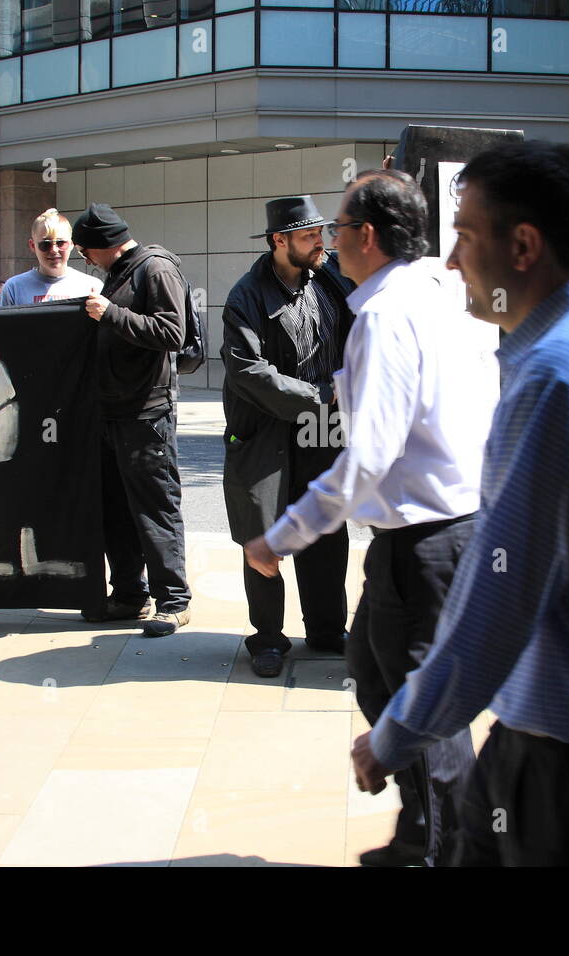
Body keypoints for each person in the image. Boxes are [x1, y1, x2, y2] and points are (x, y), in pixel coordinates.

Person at [349, 140, 569, 866]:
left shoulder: (561, 375)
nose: (450, 262)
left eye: (466, 238)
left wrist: (396, 732)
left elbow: (503, 598)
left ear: (524, 245)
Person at [244, 169, 499, 867]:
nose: (328, 239)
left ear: (365, 235)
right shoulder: (447, 295)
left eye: (336, 225)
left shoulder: (386, 316)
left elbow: (368, 459)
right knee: (373, 671)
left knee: (426, 710)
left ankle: (443, 851)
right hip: (440, 532)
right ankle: (427, 833)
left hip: (425, 542)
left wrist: (282, 536)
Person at [221, 197, 357, 677]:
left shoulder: (332, 276)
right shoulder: (247, 295)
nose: (320, 243)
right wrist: (320, 395)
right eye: (308, 236)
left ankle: (326, 629)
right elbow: (248, 371)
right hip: (264, 432)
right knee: (263, 533)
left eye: (320, 233)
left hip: (324, 427)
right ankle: (267, 638)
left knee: (324, 529)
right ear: (279, 241)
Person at [71, 202, 192, 635]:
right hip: (111, 412)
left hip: (146, 412)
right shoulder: (119, 273)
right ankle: (128, 595)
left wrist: (111, 313)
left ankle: (173, 600)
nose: (85, 260)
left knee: (154, 506)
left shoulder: (154, 268)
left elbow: (171, 333)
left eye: (86, 251)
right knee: (116, 510)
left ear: (103, 246)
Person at [0, 210, 101, 306]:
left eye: (61, 243)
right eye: (45, 245)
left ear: (72, 243)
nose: (54, 250)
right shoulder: (14, 288)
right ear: (32, 245)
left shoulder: (92, 287)